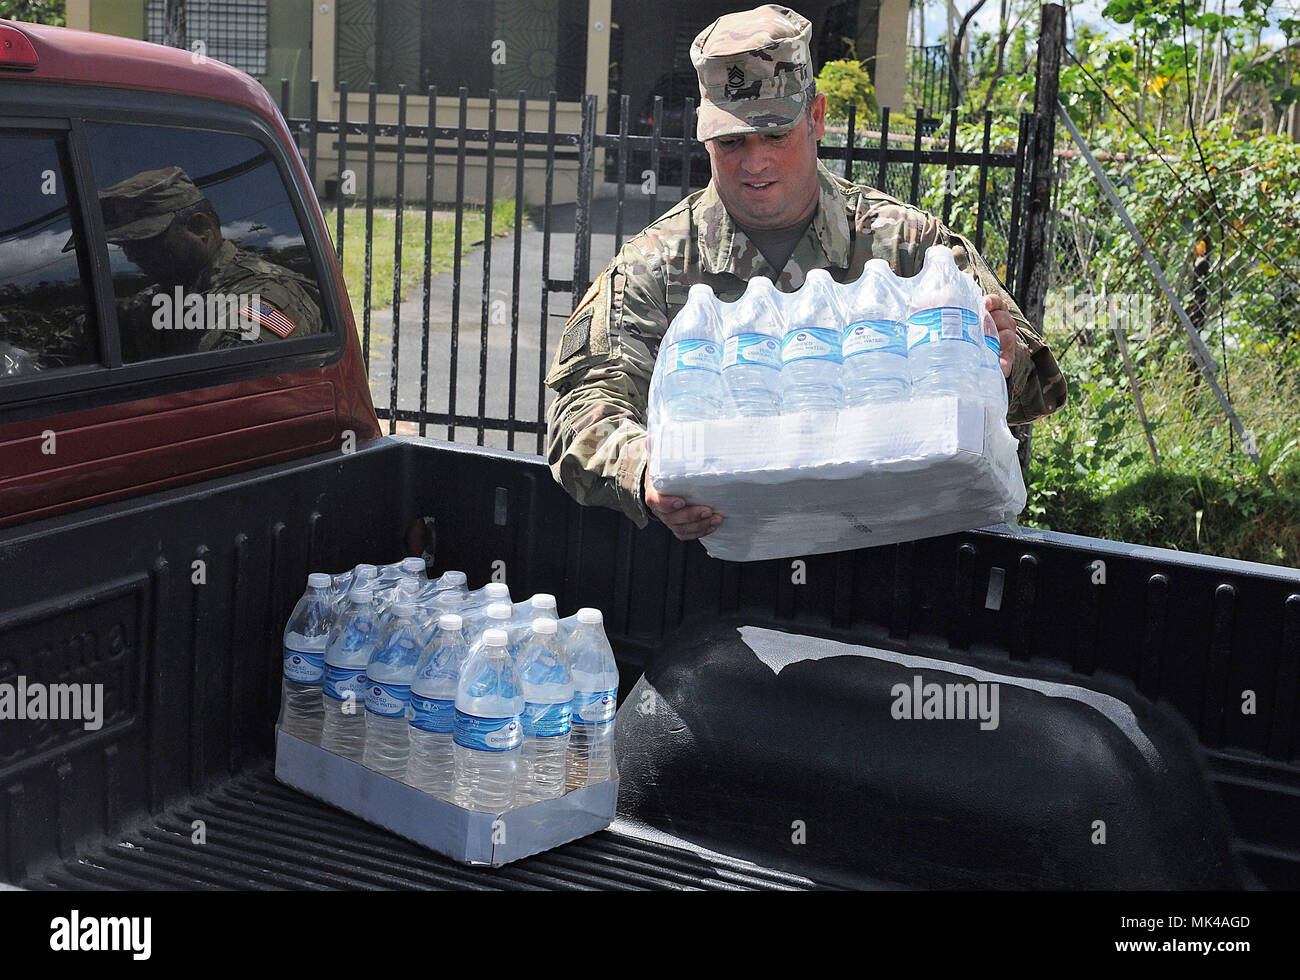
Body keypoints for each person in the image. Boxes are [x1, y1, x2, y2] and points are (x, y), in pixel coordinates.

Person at [545, 4, 1067, 542]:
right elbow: (582, 411)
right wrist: (645, 471)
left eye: (775, 134)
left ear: (815, 117)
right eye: (732, 142)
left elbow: (1039, 386)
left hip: (893, 547)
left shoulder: (907, 244)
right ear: (705, 138)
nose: (755, 163)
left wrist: (1001, 361)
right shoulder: (655, 266)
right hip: (728, 556)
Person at [66, 166, 323, 360]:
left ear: (200, 228)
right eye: (125, 246)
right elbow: (84, 334)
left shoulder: (266, 297)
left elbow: (225, 390)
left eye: (146, 243)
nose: (133, 257)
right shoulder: (167, 295)